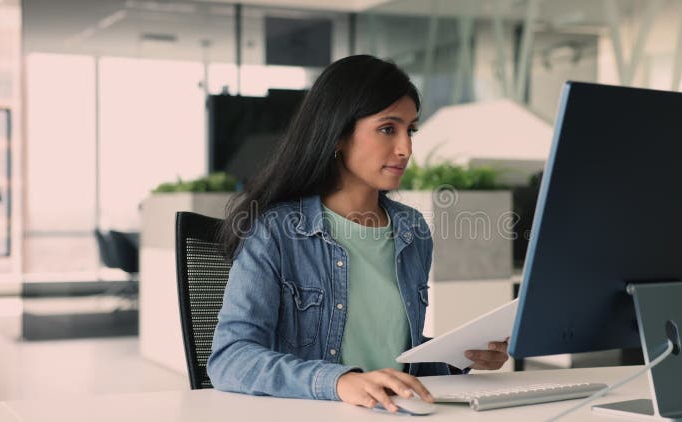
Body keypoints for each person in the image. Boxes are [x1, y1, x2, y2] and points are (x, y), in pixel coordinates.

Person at [208, 55, 509, 413]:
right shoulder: (275, 231)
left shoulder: (412, 230)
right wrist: (339, 382)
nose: (406, 149)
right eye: (388, 129)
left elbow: (391, 356)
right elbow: (230, 358)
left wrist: (461, 357)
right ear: (338, 134)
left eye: (410, 130)